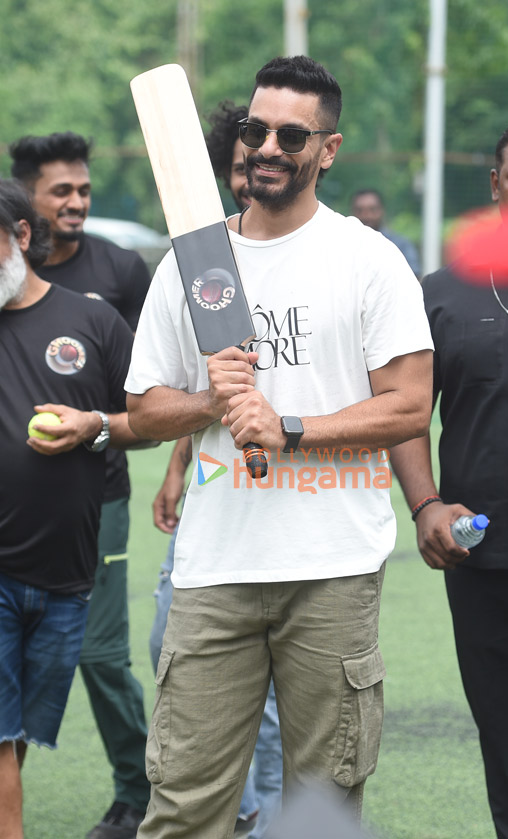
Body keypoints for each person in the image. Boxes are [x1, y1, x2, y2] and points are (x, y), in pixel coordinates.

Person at [126, 55, 433, 839]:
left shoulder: (368, 260)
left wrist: (288, 427)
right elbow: (144, 404)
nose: (266, 146)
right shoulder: (189, 265)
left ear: (326, 150)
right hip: (214, 569)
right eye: (255, 129)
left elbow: (408, 405)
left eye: (290, 134)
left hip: (330, 567)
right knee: (184, 801)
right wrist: (209, 400)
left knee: (320, 803)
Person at [390, 114, 508, 839]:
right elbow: (406, 414)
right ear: (494, 186)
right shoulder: (438, 292)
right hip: (478, 558)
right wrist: (424, 504)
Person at [10, 132, 152, 839]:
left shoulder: (119, 272)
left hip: (104, 500)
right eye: (60, 190)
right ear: (26, 206)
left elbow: (156, 395)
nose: (77, 202)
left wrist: (102, 427)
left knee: (100, 655)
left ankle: (137, 790)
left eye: (84, 190)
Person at [149, 101, 282, 838]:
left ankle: (261, 811)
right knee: (166, 641)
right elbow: (201, 389)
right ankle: (235, 806)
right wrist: (177, 467)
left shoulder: (293, 254)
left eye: (251, 167)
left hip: (288, 499)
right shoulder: (205, 264)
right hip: (212, 488)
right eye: (233, 169)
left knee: (264, 687)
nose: (246, 181)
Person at [350, 188, 420, 277]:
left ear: (382, 211)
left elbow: (414, 279)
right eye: (360, 210)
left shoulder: (401, 245)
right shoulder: (343, 245)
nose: (366, 215)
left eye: (372, 210)